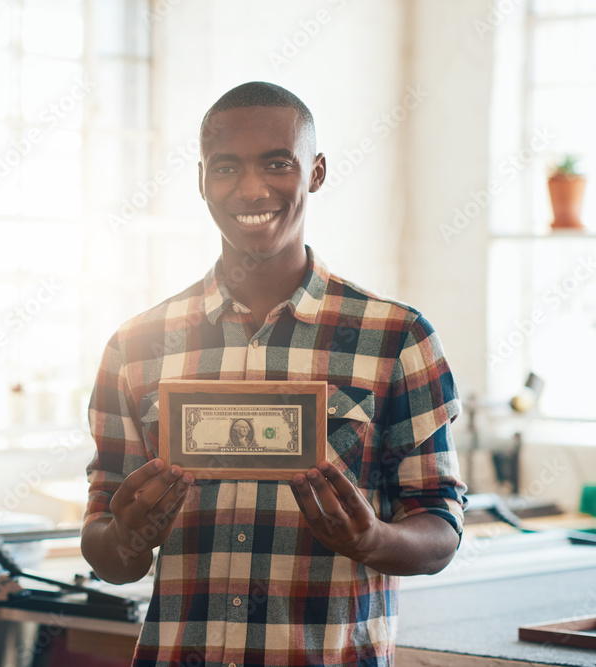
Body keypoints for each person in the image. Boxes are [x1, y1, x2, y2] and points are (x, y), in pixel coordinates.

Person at [81, 82, 466, 667]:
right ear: (202, 180)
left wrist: (373, 540)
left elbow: (440, 526)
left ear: (315, 172)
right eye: (227, 167)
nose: (251, 188)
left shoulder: (397, 338)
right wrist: (127, 537)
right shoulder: (135, 346)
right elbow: (106, 548)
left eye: (277, 163)